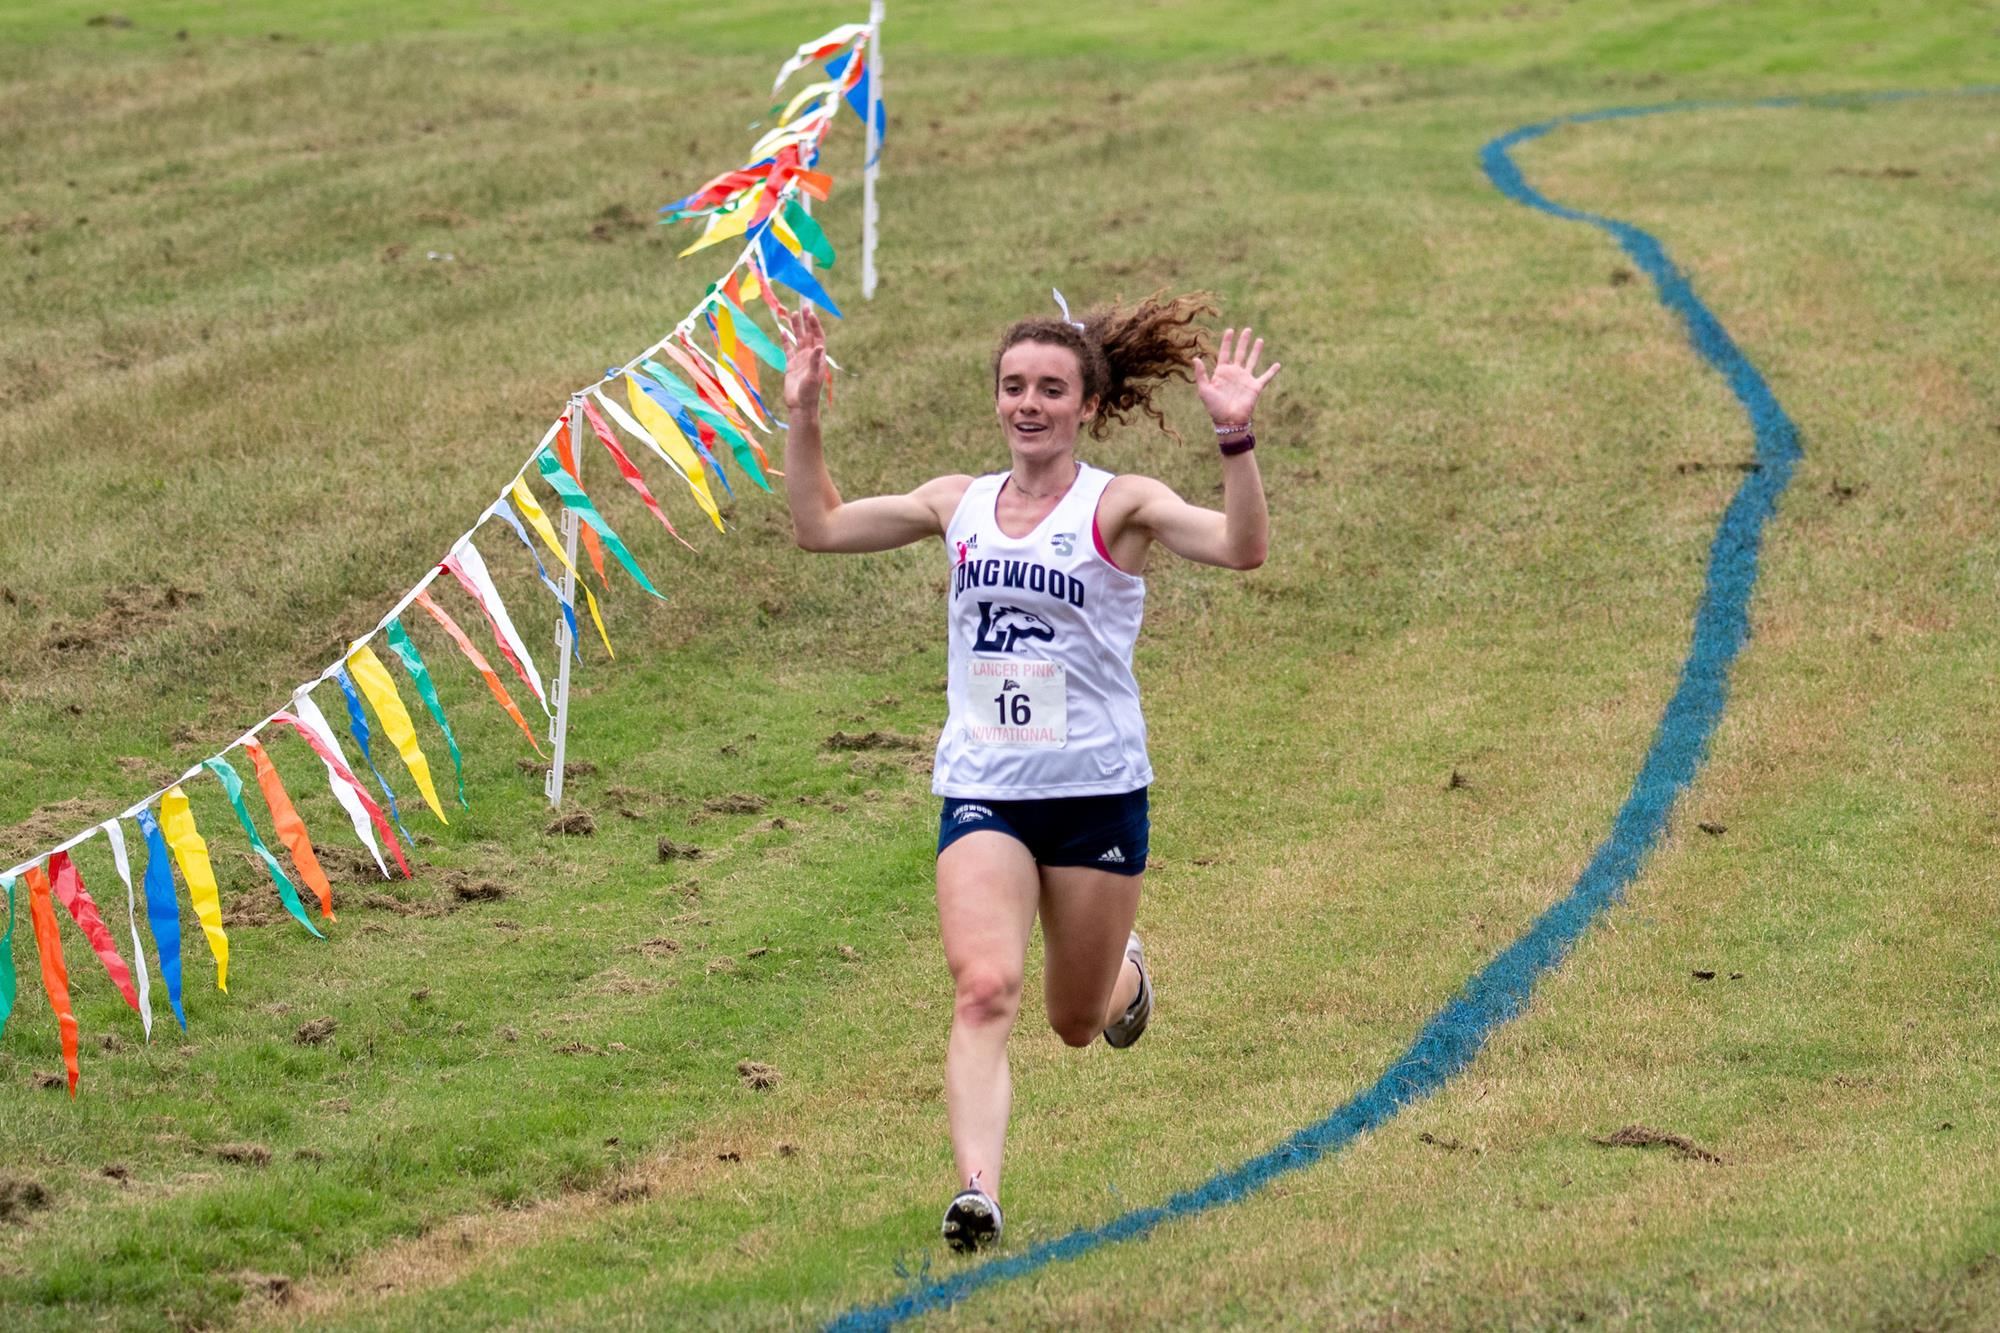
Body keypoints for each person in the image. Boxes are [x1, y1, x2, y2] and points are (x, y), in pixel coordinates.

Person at [780, 290, 1279, 1252]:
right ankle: (977, 1194)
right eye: (1014, 386)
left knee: (1076, 1021)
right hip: (985, 789)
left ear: (1086, 404)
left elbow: (1241, 548)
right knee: (983, 989)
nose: (1029, 404)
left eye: (1051, 388)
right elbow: (820, 525)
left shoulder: (1120, 504)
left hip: (1095, 793)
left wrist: (1235, 437)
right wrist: (803, 414)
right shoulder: (956, 503)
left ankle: (1125, 977)